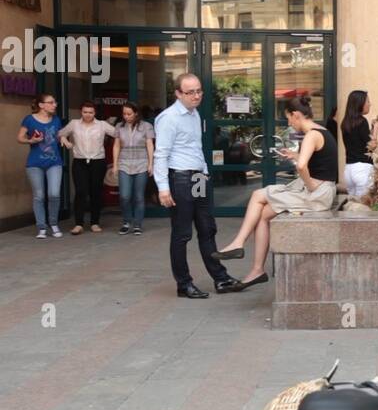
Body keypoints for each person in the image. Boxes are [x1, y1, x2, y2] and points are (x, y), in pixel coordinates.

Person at [213, 96, 338, 289]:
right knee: (262, 215)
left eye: (289, 118)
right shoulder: (322, 131)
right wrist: (295, 155)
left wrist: (310, 184)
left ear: (296, 115)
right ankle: (257, 270)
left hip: (317, 194)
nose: (288, 123)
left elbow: (303, 166)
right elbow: (320, 160)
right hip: (321, 191)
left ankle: (238, 243)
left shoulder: (311, 135)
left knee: (257, 195)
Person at [154, 73, 244, 299]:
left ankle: (221, 279)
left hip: (197, 179)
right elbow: (161, 154)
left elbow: (196, 148)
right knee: (182, 234)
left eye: (199, 91)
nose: (196, 96)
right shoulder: (169, 118)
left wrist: (204, 172)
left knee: (207, 228)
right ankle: (184, 284)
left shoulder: (194, 115)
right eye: (190, 92)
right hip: (180, 179)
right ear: (178, 93)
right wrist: (163, 187)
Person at [58, 101, 116, 235]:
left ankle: (95, 222)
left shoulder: (102, 125)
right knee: (81, 191)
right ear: (81, 112)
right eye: (85, 112)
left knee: (95, 192)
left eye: (90, 112)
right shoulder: (74, 124)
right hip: (80, 162)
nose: (88, 115)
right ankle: (79, 224)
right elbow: (60, 133)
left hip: (98, 162)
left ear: (94, 113)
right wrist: (65, 140)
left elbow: (118, 134)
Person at [18, 93, 64, 239]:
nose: (54, 104)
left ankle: (54, 223)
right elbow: (20, 137)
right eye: (51, 102)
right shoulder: (29, 120)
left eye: (54, 102)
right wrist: (31, 140)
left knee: (54, 194)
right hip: (34, 163)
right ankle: (41, 227)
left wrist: (65, 140)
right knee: (39, 196)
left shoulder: (56, 120)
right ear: (41, 105)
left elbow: (60, 135)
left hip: (54, 162)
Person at [112, 101, 155, 235]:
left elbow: (150, 145)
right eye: (124, 114)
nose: (126, 116)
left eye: (129, 114)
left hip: (141, 163)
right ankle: (126, 221)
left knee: (139, 197)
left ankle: (137, 224)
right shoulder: (119, 126)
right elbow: (116, 145)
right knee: (124, 196)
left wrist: (150, 163)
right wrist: (115, 164)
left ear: (136, 113)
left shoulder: (146, 126)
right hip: (124, 163)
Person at [341, 90, 378, 197]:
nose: (369, 104)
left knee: (352, 206)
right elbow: (371, 146)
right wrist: (376, 129)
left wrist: (371, 129)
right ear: (360, 104)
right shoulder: (362, 121)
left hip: (349, 169)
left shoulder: (345, 123)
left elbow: (360, 142)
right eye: (367, 101)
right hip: (362, 168)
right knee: (363, 208)